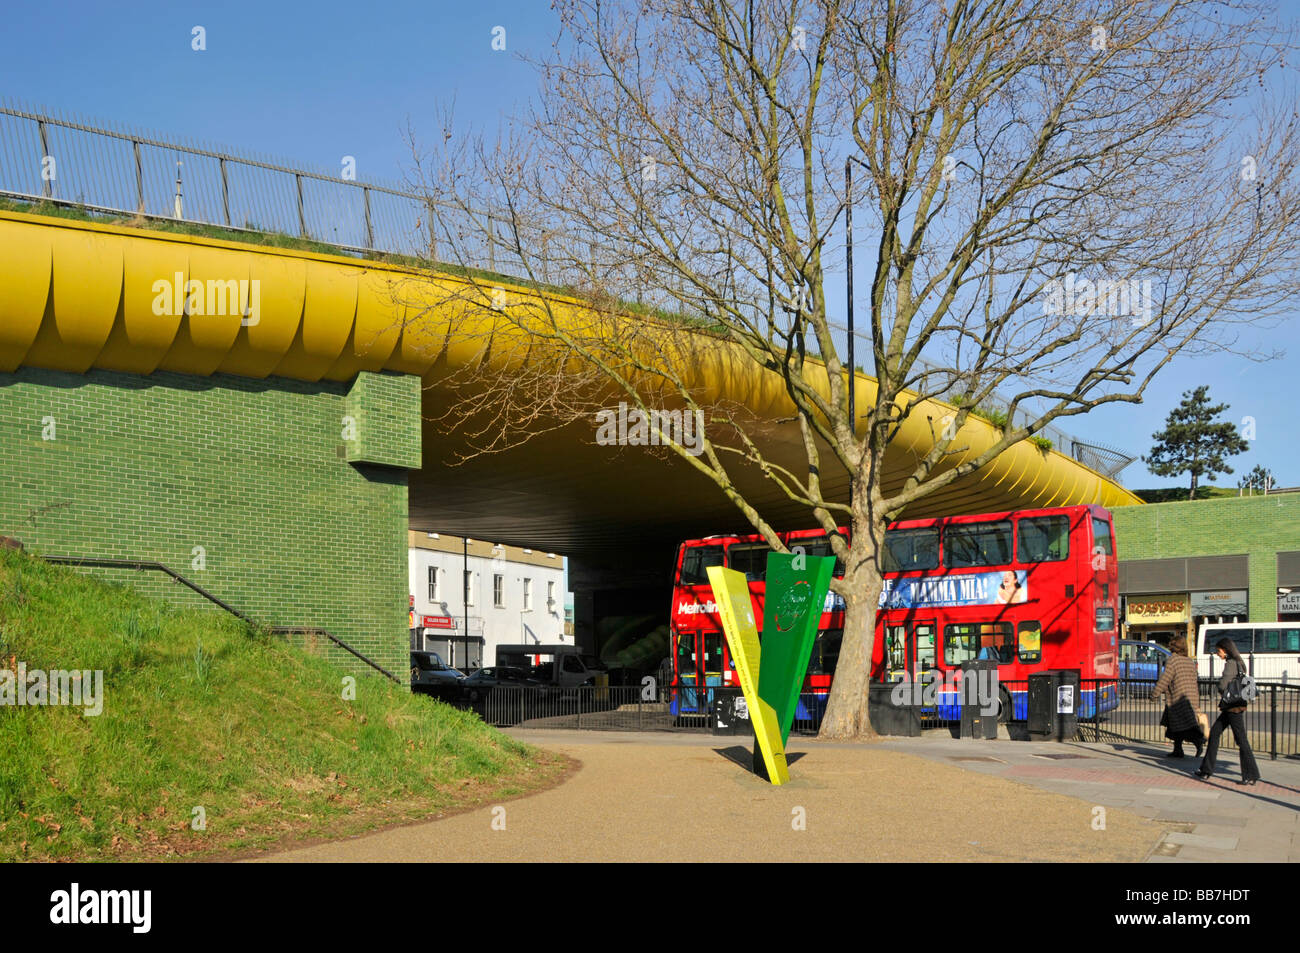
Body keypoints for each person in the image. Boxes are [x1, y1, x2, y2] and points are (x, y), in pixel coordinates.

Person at [1196, 638, 1261, 785]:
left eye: (1219, 651)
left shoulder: (1231, 664)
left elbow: (1223, 685)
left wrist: (1221, 686)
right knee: (1215, 733)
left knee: (1241, 740)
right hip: (1235, 705)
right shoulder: (1239, 662)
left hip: (1232, 707)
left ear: (1225, 650)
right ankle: (1206, 770)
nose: (1218, 654)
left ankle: (1251, 774)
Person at [1148, 635, 1203, 759]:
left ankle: (1198, 741)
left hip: (1177, 698)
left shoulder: (1173, 660)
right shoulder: (1189, 661)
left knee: (1183, 726)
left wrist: (1154, 694)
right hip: (1191, 697)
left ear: (1173, 647)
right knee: (1176, 725)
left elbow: (1165, 679)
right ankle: (1178, 750)